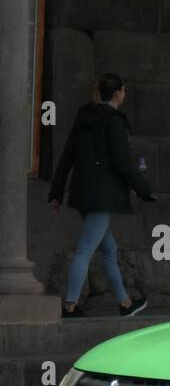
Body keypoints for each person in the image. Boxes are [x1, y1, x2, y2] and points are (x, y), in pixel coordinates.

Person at [47, 73, 152, 318]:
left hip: (82, 192)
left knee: (109, 248)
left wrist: (56, 192)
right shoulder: (114, 121)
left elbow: (67, 156)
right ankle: (70, 305)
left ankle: (125, 303)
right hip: (102, 194)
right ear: (117, 93)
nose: (124, 94)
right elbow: (122, 163)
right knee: (85, 250)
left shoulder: (83, 117)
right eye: (123, 90)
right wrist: (144, 189)